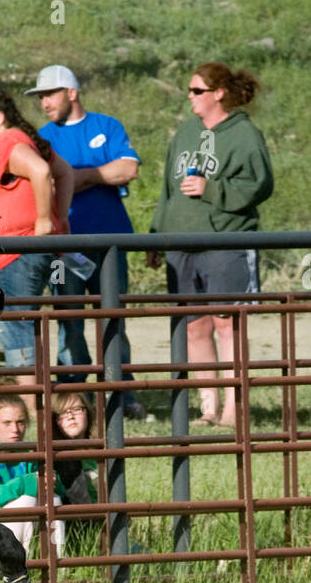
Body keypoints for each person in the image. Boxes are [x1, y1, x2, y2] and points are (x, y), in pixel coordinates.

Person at [147, 62, 273, 428]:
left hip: (226, 240)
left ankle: (235, 411)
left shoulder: (244, 134)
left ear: (219, 93)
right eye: (189, 90)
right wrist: (157, 234)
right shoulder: (186, 132)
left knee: (226, 323)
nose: (190, 96)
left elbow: (260, 184)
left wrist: (211, 188)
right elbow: (168, 189)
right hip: (181, 244)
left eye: (197, 90)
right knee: (194, 326)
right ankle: (208, 408)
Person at [27, 64, 147, 417]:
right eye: (40, 97)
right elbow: (47, 184)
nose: (44, 102)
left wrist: (77, 177)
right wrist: (98, 175)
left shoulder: (106, 126)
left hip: (110, 242)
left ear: (72, 93)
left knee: (113, 318)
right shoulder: (42, 137)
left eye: (49, 94)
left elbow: (129, 169)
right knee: (70, 320)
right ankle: (78, 396)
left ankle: (121, 394)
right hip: (65, 248)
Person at [0, 87, 74, 417]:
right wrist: (62, 217)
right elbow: (64, 172)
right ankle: (36, 401)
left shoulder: (9, 144)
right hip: (25, 251)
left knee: (16, 324)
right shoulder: (22, 140)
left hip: (19, 251)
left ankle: (30, 405)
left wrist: (47, 220)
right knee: (23, 324)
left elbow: (44, 173)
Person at [0, 392, 66, 555]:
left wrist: (53, 480)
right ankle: (18, 567)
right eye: (7, 423)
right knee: (27, 499)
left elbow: (62, 493)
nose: (15, 429)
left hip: (19, 526)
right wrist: (22, 484)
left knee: (52, 497)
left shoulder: (28, 453)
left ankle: (59, 563)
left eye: (20, 422)